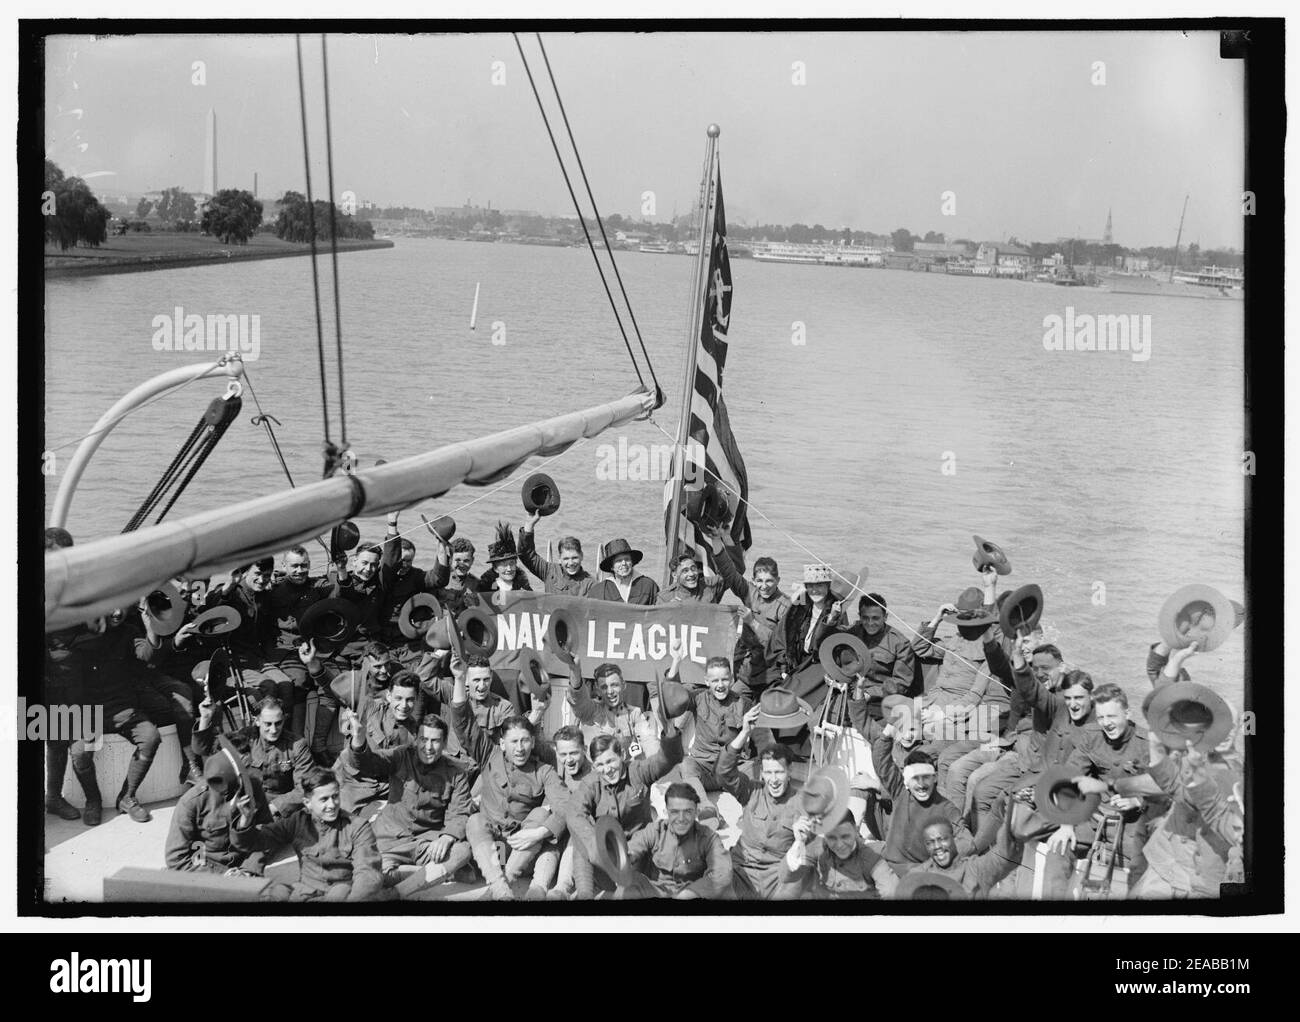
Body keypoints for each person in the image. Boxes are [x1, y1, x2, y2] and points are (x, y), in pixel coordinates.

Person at [450, 659, 569, 901]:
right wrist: (460, 680)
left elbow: (565, 806)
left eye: (525, 741)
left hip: (521, 843)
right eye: (513, 742)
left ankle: (501, 887)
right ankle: (501, 889)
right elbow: (463, 724)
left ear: (533, 741)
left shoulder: (544, 770)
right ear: (502, 743)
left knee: (540, 816)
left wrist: (538, 834)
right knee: (474, 820)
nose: (520, 748)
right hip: (491, 840)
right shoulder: (489, 754)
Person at [339, 709, 474, 899]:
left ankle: (397, 893)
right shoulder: (401, 756)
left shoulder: (456, 773)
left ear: (444, 744)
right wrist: (359, 738)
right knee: (370, 875)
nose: (428, 747)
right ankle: (435, 873)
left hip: (427, 843)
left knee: (462, 851)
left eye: (435, 741)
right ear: (416, 740)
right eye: (423, 740)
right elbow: (369, 763)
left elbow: (459, 811)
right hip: (390, 841)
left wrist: (447, 837)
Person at [908, 572, 1013, 792]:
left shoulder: (988, 649)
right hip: (931, 700)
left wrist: (990, 587)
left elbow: (974, 695)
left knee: (924, 740)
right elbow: (919, 648)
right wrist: (937, 618)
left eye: (967, 617)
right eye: (959, 616)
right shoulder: (953, 640)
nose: (962, 623)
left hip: (955, 709)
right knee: (896, 721)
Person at [566, 718, 684, 898]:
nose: (607, 770)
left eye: (610, 761)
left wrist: (670, 732)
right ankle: (585, 894)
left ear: (621, 755)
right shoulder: (591, 783)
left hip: (638, 853)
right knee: (580, 837)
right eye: (600, 765)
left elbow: (668, 759)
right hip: (608, 856)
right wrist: (595, 845)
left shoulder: (638, 771)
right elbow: (574, 813)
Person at [232, 768, 383, 902]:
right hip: (306, 892)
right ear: (307, 802)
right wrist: (245, 820)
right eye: (324, 799)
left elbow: (368, 874)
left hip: (343, 893)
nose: (332, 805)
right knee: (275, 892)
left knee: (340, 892)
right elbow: (256, 842)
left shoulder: (357, 826)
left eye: (335, 796)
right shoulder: (297, 822)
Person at [715, 705, 803, 899]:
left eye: (779, 772)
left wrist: (804, 840)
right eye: (768, 773)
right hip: (740, 871)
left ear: (790, 772)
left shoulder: (802, 803)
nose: (773, 779)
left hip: (777, 878)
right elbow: (723, 773)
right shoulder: (751, 791)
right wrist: (745, 732)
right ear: (762, 773)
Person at [165, 727, 272, 875]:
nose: (246, 775)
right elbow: (177, 859)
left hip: (243, 867)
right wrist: (222, 876)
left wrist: (249, 871)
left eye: (247, 766)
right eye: (241, 768)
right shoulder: (192, 802)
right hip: (206, 869)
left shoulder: (253, 786)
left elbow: (265, 835)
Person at [700, 527, 790, 696]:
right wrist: (716, 541)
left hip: (772, 674)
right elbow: (730, 574)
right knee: (731, 702)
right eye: (760, 581)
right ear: (754, 581)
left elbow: (778, 644)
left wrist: (752, 622)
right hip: (746, 671)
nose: (764, 586)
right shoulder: (751, 592)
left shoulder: (784, 605)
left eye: (770, 581)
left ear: (778, 580)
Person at [193, 696, 315, 819]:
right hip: (245, 806)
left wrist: (273, 808)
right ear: (257, 721)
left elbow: (305, 788)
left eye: (278, 723)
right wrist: (205, 718)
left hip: (280, 811)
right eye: (268, 724)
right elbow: (205, 749)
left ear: (284, 720)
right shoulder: (245, 737)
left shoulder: (297, 745)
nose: (273, 730)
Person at [873, 726, 974, 873]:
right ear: (907, 781)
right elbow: (882, 763)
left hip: (919, 871)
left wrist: (936, 860)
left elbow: (967, 841)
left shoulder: (946, 808)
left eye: (926, 777)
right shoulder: (899, 791)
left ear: (934, 778)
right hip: (889, 865)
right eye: (915, 779)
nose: (921, 785)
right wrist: (886, 735)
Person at [659, 641, 750, 803]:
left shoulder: (742, 703)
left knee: (755, 768)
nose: (720, 685)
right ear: (707, 681)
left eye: (724, 680)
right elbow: (673, 696)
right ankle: (705, 808)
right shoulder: (698, 697)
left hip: (731, 769)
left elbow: (763, 737)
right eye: (715, 681)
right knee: (686, 763)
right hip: (703, 769)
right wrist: (676, 661)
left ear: (731, 679)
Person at [617, 782, 733, 900]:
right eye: (675, 812)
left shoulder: (708, 838)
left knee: (726, 889)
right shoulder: (655, 831)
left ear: (696, 812)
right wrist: (626, 858)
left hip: (691, 894)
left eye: (688, 811)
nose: (681, 819)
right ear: (667, 812)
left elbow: (722, 872)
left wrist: (691, 892)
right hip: (653, 890)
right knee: (627, 884)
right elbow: (634, 847)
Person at [332, 670, 420, 819]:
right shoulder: (369, 707)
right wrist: (315, 666)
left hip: (386, 786)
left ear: (417, 699)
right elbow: (339, 685)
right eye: (398, 698)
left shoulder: (415, 731)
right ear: (388, 696)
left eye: (410, 699)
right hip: (352, 782)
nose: (404, 705)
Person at [902, 794, 1024, 899]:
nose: (937, 846)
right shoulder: (918, 875)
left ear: (954, 839)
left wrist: (1016, 812)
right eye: (931, 843)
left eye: (942, 839)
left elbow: (1004, 856)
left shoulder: (974, 868)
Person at [779, 810, 897, 900]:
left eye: (845, 836)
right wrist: (799, 841)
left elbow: (890, 891)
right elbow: (787, 877)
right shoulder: (819, 849)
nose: (839, 845)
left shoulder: (873, 853)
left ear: (856, 831)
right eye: (832, 838)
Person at [563, 652, 658, 754]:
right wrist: (575, 671)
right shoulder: (590, 711)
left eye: (614, 685)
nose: (610, 692)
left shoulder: (634, 713)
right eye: (604, 687)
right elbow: (578, 699)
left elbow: (649, 742)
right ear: (597, 689)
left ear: (623, 685)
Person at [844, 593, 919, 718]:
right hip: (850, 692)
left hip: (880, 700)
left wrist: (869, 694)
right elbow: (832, 643)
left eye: (875, 618)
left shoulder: (900, 643)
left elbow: (901, 683)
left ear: (885, 617)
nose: (870, 623)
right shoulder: (853, 632)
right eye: (865, 618)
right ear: (859, 617)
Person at [547, 724, 594, 900]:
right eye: (563, 754)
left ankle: (562, 887)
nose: (569, 760)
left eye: (574, 753)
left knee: (577, 827)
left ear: (584, 749)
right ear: (556, 752)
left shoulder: (594, 774)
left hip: (580, 834)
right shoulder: (555, 767)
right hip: (558, 829)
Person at [518, 512, 590, 596]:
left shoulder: (590, 584)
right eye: (566, 558)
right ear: (559, 558)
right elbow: (526, 555)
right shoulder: (550, 571)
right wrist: (529, 525)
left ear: (582, 556)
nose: (570, 563)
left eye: (574, 558)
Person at [586, 538, 659, 604]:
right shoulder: (599, 591)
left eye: (627, 559)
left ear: (632, 562)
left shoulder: (648, 586)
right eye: (618, 561)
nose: (624, 563)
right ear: (611, 566)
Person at [477, 521, 534, 600]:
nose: (509, 568)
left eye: (512, 563)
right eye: (504, 564)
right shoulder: (484, 590)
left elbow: (535, 607)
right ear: (495, 568)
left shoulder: (525, 589)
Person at [658, 549, 727, 604]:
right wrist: (669, 610)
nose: (691, 574)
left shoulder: (710, 585)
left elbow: (731, 573)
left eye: (693, 568)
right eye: (685, 571)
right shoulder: (664, 598)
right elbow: (657, 620)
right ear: (675, 575)